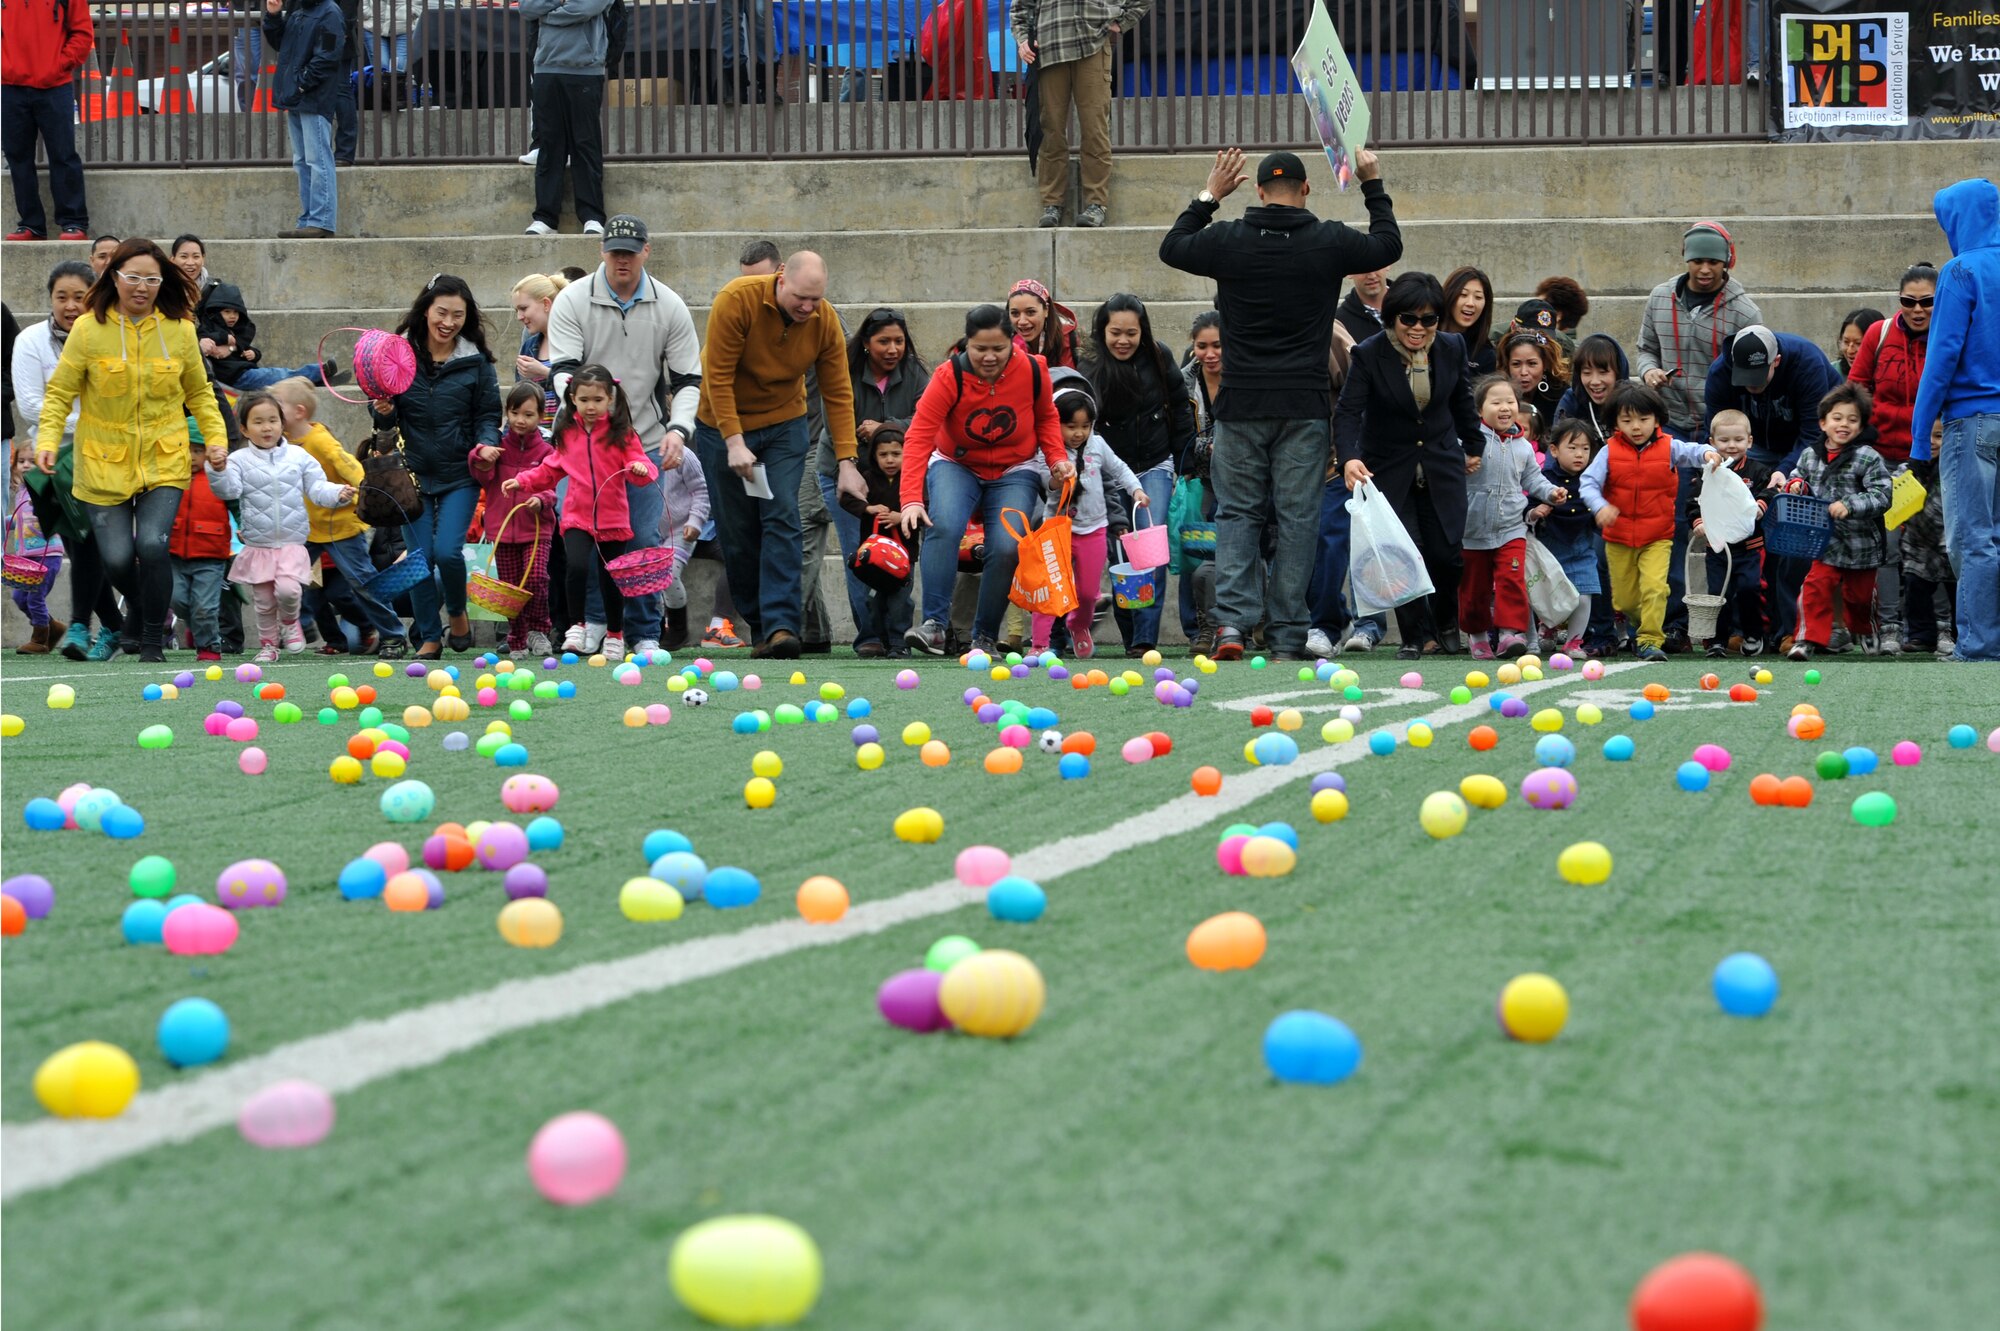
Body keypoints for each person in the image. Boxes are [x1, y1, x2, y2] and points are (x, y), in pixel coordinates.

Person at [1161, 146, 1402, 660]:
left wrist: (1209, 195)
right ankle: (1289, 635)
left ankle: (1232, 626)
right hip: (1304, 405)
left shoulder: (1229, 238)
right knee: (1298, 520)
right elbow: (1388, 244)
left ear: (1258, 190)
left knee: (1238, 516)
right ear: (1306, 190)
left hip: (1240, 405)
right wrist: (1371, 180)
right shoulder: (1329, 240)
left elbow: (1173, 247)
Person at [32, 238, 228, 662]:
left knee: (153, 545)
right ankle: (142, 608)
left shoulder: (180, 330)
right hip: (102, 461)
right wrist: (46, 441)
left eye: (152, 279)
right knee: (118, 558)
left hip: (164, 457)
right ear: (114, 277)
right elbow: (60, 393)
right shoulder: (88, 329)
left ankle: (152, 642)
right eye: (133, 277)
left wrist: (216, 438)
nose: (142, 287)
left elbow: (200, 393)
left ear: (163, 282)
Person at [544, 215, 703, 655]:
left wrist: (679, 429)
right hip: (582, 443)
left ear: (646, 251)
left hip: (645, 441)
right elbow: (562, 370)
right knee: (584, 538)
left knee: (642, 540)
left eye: (631, 252)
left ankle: (644, 631)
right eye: (615, 252)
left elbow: (688, 379)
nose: (622, 260)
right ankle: (594, 624)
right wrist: (589, 413)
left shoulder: (670, 305)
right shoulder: (573, 300)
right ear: (602, 251)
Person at [693, 251, 857, 658]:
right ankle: (761, 625)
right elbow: (718, 376)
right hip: (721, 425)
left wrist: (847, 462)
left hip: (784, 424)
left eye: (816, 299)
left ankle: (782, 626)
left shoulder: (824, 320)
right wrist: (734, 441)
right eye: (801, 297)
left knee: (783, 514)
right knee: (737, 530)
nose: (808, 307)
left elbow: (838, 392)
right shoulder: (737, 299)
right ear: (781, 279)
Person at [900, 303, 1072, 653]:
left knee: (1008, 546)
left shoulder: (1033, 370)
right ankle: (935, 624)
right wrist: (911, 500)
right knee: (944, 525)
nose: (989, 357)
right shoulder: (949, 375)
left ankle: (985, 636)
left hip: (1015, 469)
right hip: (956, 464)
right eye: (980, 349)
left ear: (1012, 342)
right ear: (967, 344)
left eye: (998, 348)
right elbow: (918, 435)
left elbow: (1046, 418)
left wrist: (1057, 459)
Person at [1333, 272, 1484, 661]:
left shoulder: (1451, 346)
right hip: (1388, 467)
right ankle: (1414, 636)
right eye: (1409, 319)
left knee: (1446, 554)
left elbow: (1462, 400)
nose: (1418, 328)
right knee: (1401, 553)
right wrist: (1349, 457)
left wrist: (1474, 444)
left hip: (1441, 464)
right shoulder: (1369, 353)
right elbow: (1347, 412)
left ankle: (1445, 619)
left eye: (1428, 319)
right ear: (1392, 317)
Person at [369, 273, 501, 659]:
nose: (448, 322)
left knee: (446, 553)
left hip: (460, 472)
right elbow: (385, 420)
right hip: (411, 474)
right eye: (442, 312)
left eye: (458, 315)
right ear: (425, 310)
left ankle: (457, 610)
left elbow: (488, 415)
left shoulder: (476, 360)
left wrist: (486, 444)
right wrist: (383, 411)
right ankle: (429, 635)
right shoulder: (398, 354)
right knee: (419, 560)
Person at [503, 364, 659, 661]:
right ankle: (577, 625)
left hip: (613, 518)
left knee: (611, 578)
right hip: (577, 516)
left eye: (598, 400)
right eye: (584, 400)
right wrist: (522, 481)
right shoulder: (567, 432)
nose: (591, 407)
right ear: (573, 398)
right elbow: (551, 469)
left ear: (610, 398)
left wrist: (640, 468)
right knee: (575, 567)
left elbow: (641, 465)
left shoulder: (622, 433)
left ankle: (615, 634)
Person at [1704, 324, 1840, 652]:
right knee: (1743, 533)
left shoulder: (1806, 362)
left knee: (1792, 534)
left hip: (1807, 444)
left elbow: (1814, 433)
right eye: (1744, 378)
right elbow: (1715, 437)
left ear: (1776, 361)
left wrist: (1784, 472)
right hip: (1752, 445)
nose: (1750, 386)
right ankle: (1744, 628)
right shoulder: (1720, 372)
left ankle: (1789, 627)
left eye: (1757, 377)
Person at [1910, 177, 2000, 662]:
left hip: (1972, 420)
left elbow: (1942, 357)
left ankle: (1979, 645)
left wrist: (1920, 435)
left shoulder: (1961, 270)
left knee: (1972, 537)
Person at [205, 390, 358, 661]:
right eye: (258, 422)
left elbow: (317, 487)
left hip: (291, 542)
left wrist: (337, 493)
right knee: (264, 602)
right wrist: (217, 471)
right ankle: (269, 646)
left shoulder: (298, 456)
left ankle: (289, 622)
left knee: (289, 591)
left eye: (272, 420)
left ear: (282, 423)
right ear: (244, 429)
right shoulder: (238, 460)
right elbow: (229, 490)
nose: (267, 427)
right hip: (258, 545)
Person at [1082, 293, 1193, 656]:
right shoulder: (1091, 365)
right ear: (1103, 331)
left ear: (1143, 332)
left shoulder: (1159, 357)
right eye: (1115, 333)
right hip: (1109, 472)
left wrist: (1185, 463)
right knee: (1120, 555)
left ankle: (1145, 638)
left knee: (1150, 549)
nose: (1123, 341)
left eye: (1131, 333)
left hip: (1154, 465)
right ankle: (1130, 634)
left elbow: (1180, 406)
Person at [1579, 383, 1720, 662]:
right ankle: (1640, 623)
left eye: (1643, 419)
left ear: (1656, 419)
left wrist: (1708, 453)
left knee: (1655, 588)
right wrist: (1600, 506)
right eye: (1627, 420)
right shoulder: (1608, 451)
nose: (1636, 427)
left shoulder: (1669, 446)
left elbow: (1692, 451)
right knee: (1625, 600)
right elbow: (1588, 483)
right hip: (1618, 538)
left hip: (1658, 536)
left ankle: (1649, 640)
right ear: (1616, 423)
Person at [270, 376, 408, 657]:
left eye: (278, 405)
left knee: (362, 581)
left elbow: (347, 464)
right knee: (286, 575)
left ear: (299, 411)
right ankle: (300, 624)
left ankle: (393, 635)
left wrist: (367, 489)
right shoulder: (281, 444)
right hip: (306, 528)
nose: (271, 412)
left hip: (340, 526)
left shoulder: (319, 439)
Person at [1846, 262, 1938, 656]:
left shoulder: (1951, 333)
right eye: (1908, 301)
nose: (1917, 310)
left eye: (1927, 302)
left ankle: (1940, 629)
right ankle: (1889, 627)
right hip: (1883, 457)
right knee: (1888, 546)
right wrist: (1863, 435)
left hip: (1932, 457)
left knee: (1935, 545)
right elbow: (1856, 388)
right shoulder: (1878, 333)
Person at [830, 305, 926, 656]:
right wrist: (849, 465)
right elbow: (835, 416)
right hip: (846, 471)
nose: (892, 349)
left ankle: (897, 638)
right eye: (884, 341)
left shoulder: (915, 373)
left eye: (899, 341)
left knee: (900, 573)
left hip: (902, 478)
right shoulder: (845, 370)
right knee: (861, 557)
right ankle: (869, 636)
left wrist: (887, 427)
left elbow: (928, 417)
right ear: (866, 343)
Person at [1031, 372, 1147, 657]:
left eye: (1085, 426)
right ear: (1055, 424)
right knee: (1050, 589)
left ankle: (1078, 625)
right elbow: (1045, 482)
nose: (1078, 433)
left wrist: (1136, 490)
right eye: (1070, 426)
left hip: (1094, 528)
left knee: (1086, 593)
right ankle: (1039, 644)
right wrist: (1057, 478)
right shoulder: (1049, 450)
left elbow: (1119, 468)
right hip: (1057, 528)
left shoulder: (1097, 444)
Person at [1013, 0, 1146, 228]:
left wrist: (1123, 21)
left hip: (1092, 45)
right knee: (1050, 129)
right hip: (1049, 48)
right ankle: (1052, 202)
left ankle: (1096, 203)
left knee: (1095, 128)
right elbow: (1020, 7)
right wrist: (1023, 39)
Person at [1788, 383, 1893, 660]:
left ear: (1861, 426)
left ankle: (1866, 630)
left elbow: (1883, 495)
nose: (1844, 424)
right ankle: (1806, 639)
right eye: (1837, 418)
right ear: (1823, 423)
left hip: (1862, 545)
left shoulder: (1868, 457)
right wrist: (1795, 485)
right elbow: (1796, 477)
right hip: (1825, 541)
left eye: (1852, 419)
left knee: (1860, 598)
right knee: (1815, 587)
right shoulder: (1810, 455)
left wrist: (1849, 505)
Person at [1462, 376, 1565, 658]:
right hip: (1471, 529)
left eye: (1510, 402)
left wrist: (1551, 492)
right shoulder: (1469, 440)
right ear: (1480, 410)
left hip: (1511, 528)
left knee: (1511, 579)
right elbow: (1449, 467)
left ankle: (1510, 634)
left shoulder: (1523, 446)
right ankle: (1477, 636)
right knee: (1474, 588)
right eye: (1496, 402)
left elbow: (1533, 478)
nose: (1505, 407)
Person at [1635, 221, 1762, 435]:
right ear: (1686, 258)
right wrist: (1649, 371)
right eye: (1697, 261)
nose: (1704, 269)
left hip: (1720, 426)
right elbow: (1646, 350)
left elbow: (1753, 375)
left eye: (1713, 262)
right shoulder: (1659, 298)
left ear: (1727, 262)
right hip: (1667, 420)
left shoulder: (1745, 313)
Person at [472, 382, 560, 657]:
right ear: (507, 413)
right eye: (515, 413)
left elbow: (552, 488)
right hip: (502, 530)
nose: (521, 420)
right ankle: (517, 637)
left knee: (536, 578)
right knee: (509, 589)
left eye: (528, 414)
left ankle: (539, 629)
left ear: (541, 416)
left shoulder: (546, 452)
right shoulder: (497, 447)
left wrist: (541, 500)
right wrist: (480, 456)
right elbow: (481, 475)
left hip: (536, 530)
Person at [2, 0, 93, 242]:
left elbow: (82, 33)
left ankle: (74, 221)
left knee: (63, 154)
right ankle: (31, 224)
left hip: (55, 85)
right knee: (17, 157)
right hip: (10, 86)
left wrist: (60, 65)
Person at [521, 0, 611, 237]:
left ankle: (592, 216)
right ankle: (545, 218)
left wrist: (548, 14)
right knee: (549, 145)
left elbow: (585, 9)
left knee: (585, 143)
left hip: (586, 68)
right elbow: (527, 8)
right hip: (545, 67)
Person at [1688, 408, 1774, 656]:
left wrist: (1761, 505)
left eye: (1738, 439)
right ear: (1712, 442)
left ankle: (1753, 634)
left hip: (1750, 548)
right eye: (1724, 440)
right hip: (1718, 549)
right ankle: (1717, 640)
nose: (1731, 445)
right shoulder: (1707, 472)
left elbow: (1769, 491)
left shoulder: (1758, 470)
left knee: (1750, 589)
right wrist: (1698, 522)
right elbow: (1693, 502)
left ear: (1749, 441)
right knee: (1718, 594)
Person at [263, 0, 346, 239]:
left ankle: (320, 220)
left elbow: (328, 56)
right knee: (302, 161)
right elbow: (281, 43)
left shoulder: (329, 12)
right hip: (298, 96)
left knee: (317, 159)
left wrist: (301, 84)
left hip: (313, 97)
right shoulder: (301, 10)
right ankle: (310, 219)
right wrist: (274, 16)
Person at [838, 421, 915, 655]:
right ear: (874, 455)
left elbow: (927, 508)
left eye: (896, 454)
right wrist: (868, 508)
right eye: (883, 455)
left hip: (904, 555)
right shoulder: (868, 478)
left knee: (900, 600)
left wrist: (902, 516)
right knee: (875, 600)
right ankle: (882, 640)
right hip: (873, 556)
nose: (890, 460)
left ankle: (900, 643)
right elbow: (846, 499)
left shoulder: (913, 479)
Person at [1530, 419, 1600, 654]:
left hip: (1582, 545)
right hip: (1550, 546)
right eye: (1572, 447)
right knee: (1549, 595)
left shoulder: (1593, 478)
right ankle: (1548, 627)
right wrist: (1535, 512)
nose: (1579, 454)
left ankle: (1573, 641)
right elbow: (1528, 504)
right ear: (1554, 450)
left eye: (1585, 448)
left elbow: (1600, 504)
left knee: (1584, 594)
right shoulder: (1544, 477)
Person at [198, 284, 341, 389]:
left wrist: (254, 354)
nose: (232, 316)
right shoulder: (209, 329)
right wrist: (225, 338)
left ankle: (311, 379)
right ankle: (317, 372)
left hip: (247, 372)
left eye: (236, 312)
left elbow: (248, 349)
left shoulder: (235, 331)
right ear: (215, 313)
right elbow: (203, 337)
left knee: (278, 375)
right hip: (236, 377)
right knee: (279, 375)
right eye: (227, 312)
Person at [1901, 422, 1957, 659]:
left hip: (1949, 540)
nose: (1932, 442)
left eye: (1939, 436)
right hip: (1918, 541)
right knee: (1915, 588)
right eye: (1927, 435)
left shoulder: (1955, 468)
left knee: (1956, 591)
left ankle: (1958, 633)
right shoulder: (1907, 469)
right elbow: (1895, 499)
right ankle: (1921, 635)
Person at [7, 450, 64, 651]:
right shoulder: (21, 493)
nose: (26, 465)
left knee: (34, 597)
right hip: (27, 559)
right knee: (19, 598)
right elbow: (19, 520)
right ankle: (52, 627)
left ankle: (40, 639)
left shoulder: (46, 488)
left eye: (32, 461)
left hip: (47, 554)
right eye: (21, 461)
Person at [510, 272, 568, 429]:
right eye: (517, 310)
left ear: (546, 304)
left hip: (568, 436)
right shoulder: (528, 346)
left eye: (523, 308)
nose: (519, 316)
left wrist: (544, 372)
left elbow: (586, 389)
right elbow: (518, 400)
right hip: (536, 439)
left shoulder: (575, 341)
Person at [1499, 327, 1569, 426]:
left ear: (1545, 364)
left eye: (1532, 363)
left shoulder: (1563, 396)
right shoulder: (1494, 395)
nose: (1524, 372)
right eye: (1516, 364)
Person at [1007, 279, 1079, 367]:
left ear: (1046, 310)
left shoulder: (1070, 341)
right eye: (1015, 313)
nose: (1022, 321)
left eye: (1030, 312)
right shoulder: (1005, 346)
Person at [1441, 267, 1496, 377]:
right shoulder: (1427, 336)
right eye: (1463, 294)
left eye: (1478, 297)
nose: (1470, 303)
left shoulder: (1486, 354)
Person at [1336, 267, 1391, 347]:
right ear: (1348, 272)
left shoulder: (1409, 303)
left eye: (1377, 266)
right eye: (1363, 268)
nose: (1372, 276)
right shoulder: (1338, 324)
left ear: (1388, 265)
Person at [1835, 307, 1888, 377]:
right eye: (1846, 342)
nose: (1850, 351)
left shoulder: (1893, 376)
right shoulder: (1833, 374)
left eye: (1858, 343)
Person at [172, 236, 221, 308]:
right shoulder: (163, 289)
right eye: (184, 257)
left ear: (203, 259)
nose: (190, 263)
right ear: (173, 260)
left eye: (196, 257)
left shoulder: (216, 290)